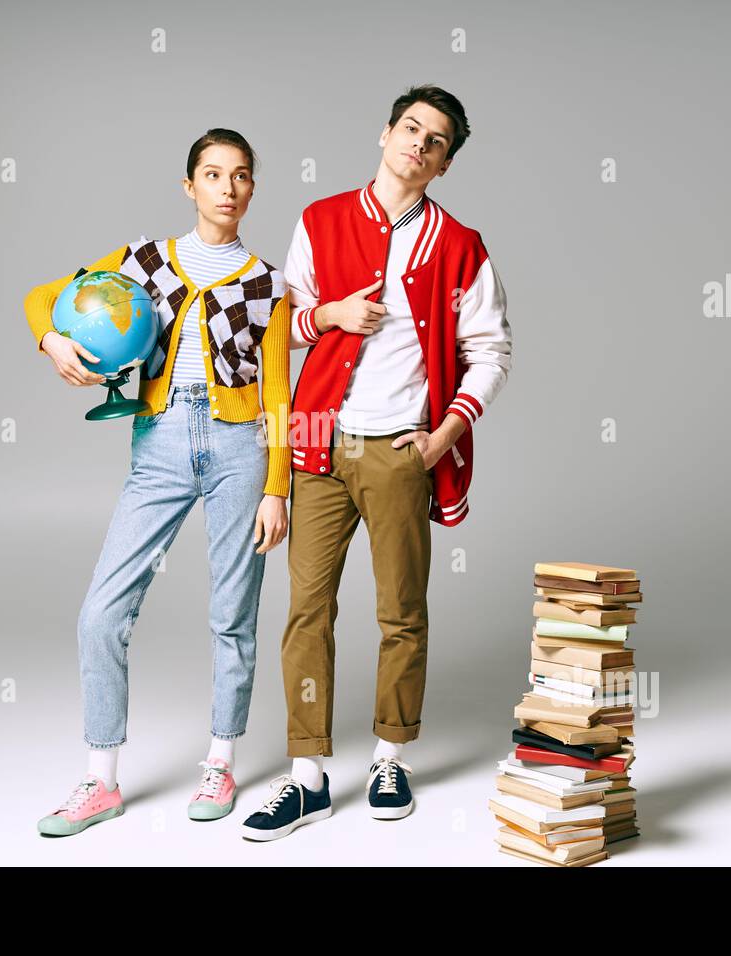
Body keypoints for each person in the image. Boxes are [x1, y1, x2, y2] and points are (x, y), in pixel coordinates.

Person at [239, 87, 513, 842]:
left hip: (399, 449)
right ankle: (307, 776)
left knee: (401, 611)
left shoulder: (460, 245)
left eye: (435, 141)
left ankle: (391, 757)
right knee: (306, 611)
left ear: (444, 164)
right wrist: (330, 314)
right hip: (318, 442)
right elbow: (281, 328)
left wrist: (443, 436)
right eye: (410, 129)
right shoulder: (321, 220)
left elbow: (491, 350)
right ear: (385, 132)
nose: (417, 145)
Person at [22, 129, 292, 836]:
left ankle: (221, 761)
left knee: (232, 613)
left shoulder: (269, 284)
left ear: (252, 188)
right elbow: (43, 296)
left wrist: (278, 488)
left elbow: (279, 393)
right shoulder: (144, 261)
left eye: (240, 175)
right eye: (213, 174)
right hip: (161, 441)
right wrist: (52, 339)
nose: (227, 188)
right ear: (189, 186)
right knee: (102, 613)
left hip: (240, 446)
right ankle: (101, 780)